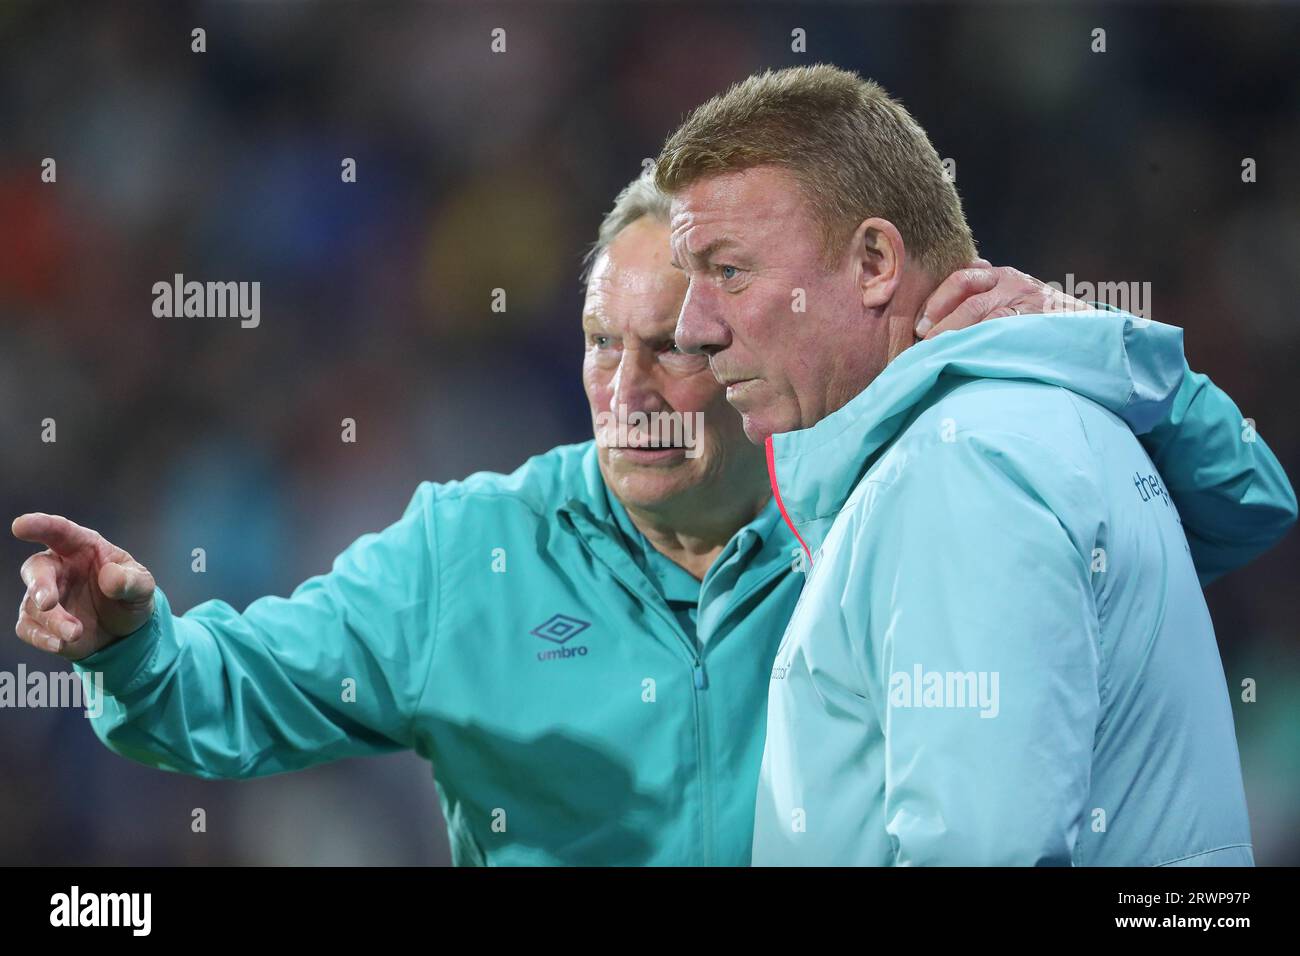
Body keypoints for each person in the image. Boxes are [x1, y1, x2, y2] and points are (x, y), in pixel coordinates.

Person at [13, 169, 1291, 865]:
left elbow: (1234, 510)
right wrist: (137, 642)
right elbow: (220, 692)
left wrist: (1089, 343)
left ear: (746, 353)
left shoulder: (889, 504)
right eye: (595, 343)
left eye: (672, 349)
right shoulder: (473, 549)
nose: (624, 392)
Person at [657, 64, 1298, 865]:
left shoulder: (957, 470)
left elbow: (986, 853)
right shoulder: (1036, 420)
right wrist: (1110, 350)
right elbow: (1252, 504)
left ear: (874, 263)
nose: (690, 329)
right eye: (689, 280)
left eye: (727, 271)